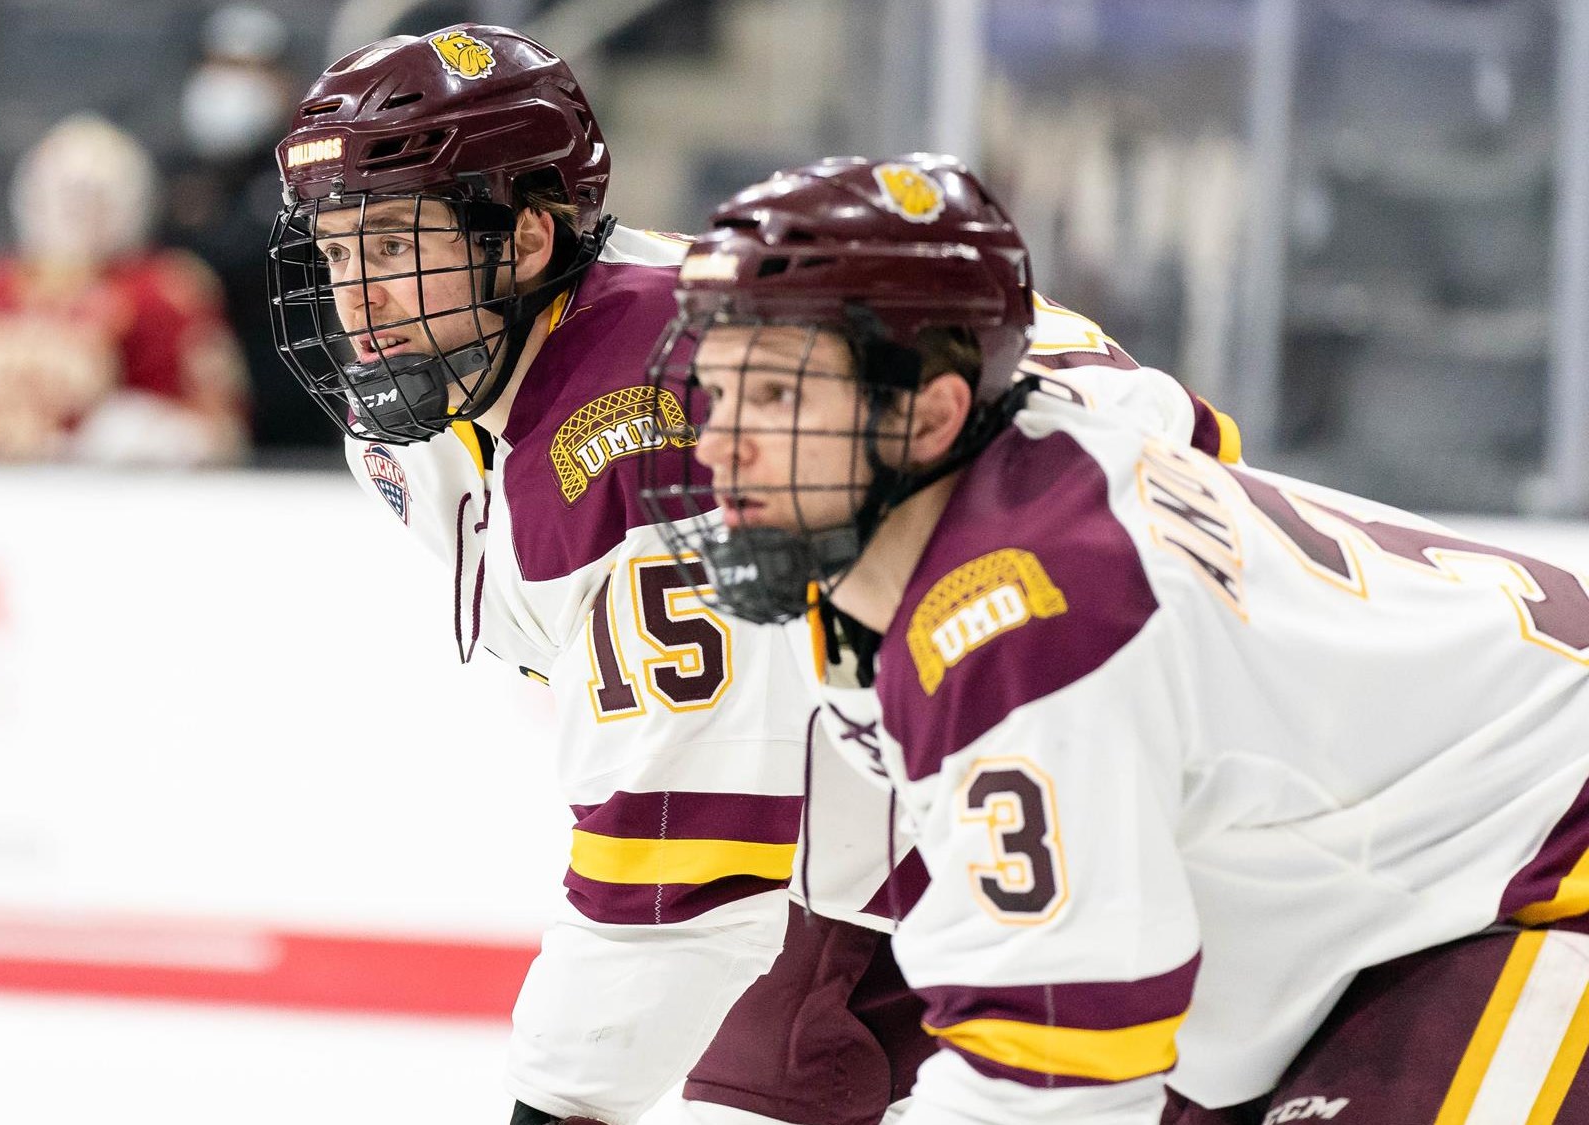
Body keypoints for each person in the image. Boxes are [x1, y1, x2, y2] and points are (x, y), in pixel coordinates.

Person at [269, 27, 1242, 1125]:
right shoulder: (426, 420)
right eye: (338, 252)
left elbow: (682, 844)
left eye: (397, 247)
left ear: (527, 238)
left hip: (1123, 790)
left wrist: (556, 1102)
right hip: (923, 805)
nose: (360, 298)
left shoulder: (647, 420)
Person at [646, 152, 1589, 1123]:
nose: (716, 443)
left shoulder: (1025, 615)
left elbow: (1046, 1070)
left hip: (1541, 866)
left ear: (927, 413)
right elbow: (1189, 426)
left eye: (775, 398)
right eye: (718, 395)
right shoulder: (1009, 460)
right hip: (1390, 909)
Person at [0, 115, 248, 466]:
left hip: (100, 508)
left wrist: (127, 436)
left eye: (95, 196)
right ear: (27, 194)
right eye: (61, 192)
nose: (74, 211)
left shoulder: (166, 292)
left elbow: (219, 431)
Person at [158, 4, 328, 452]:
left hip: (294, 402)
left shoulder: (310, 170)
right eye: (222, 66)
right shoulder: (175, 172)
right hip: (191, 407)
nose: (232, 85)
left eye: (252, 69)